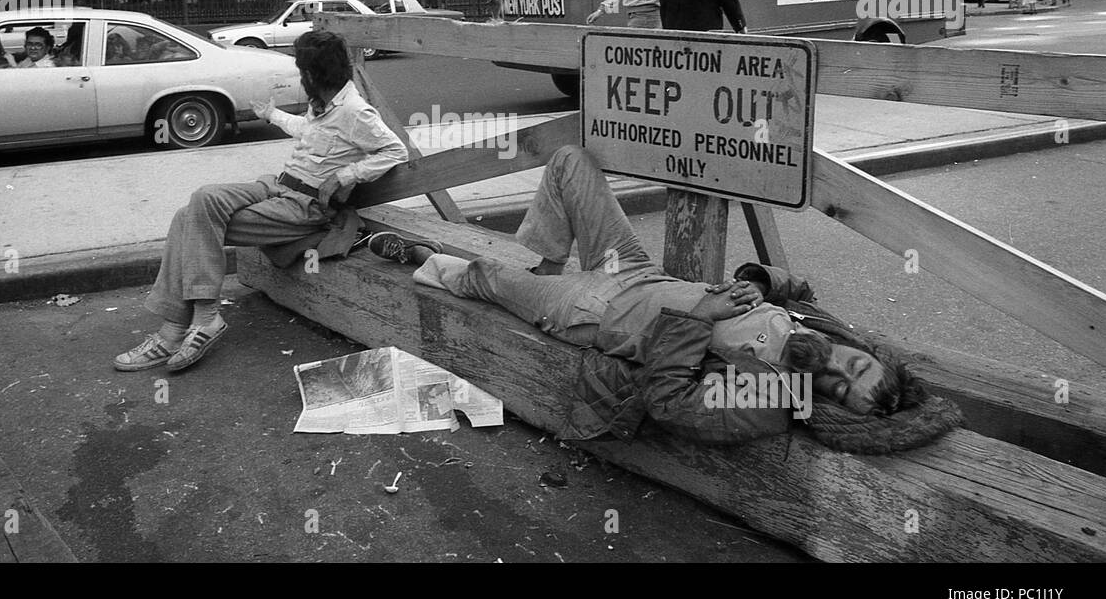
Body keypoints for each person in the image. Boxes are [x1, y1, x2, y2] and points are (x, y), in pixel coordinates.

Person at [368, 146, 960, 453]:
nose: (829, 366)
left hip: (595, 312)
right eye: (851, 364)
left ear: (826, 408)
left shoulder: (769, 398)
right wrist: (760, 282)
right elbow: (796, 289)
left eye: (834, 389)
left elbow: (669, 400)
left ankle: (426, 259)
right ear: (863, 350)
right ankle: (541, 267)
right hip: (640, 271)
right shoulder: (828, 332)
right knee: (572, 162)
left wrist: (698, 319)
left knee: (488, 278)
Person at [114, 30, 409, 373]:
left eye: (301, 72)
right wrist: (272, 114)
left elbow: (395, 150)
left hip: (303, 206)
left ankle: (178, 328)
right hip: (276, 187)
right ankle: (194, 321)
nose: (301, 78)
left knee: (187, 218)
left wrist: (347, 175)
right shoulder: (326, 104)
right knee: (202, 199)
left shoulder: (356, 112)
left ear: (312, 75)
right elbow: (307, 131)